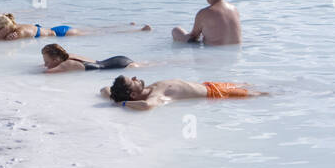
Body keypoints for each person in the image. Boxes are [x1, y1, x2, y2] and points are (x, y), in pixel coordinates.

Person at [102, 76, 261, 109]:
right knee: (262, 95)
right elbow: (145, 105)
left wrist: (112, 98)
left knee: (251, 84)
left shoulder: (148, 88)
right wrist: (121, 103)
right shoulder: (155, 96)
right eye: (132, 81)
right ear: (133, 95)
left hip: (210, 85)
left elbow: (104, 90)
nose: (136, 78)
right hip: (216, 94)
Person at [172, 0, 242, 45]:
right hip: (235, 52)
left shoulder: (204, 13)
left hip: (213, 52)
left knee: (176, 30)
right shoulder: (234, 9)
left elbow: (193, 37)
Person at [0, 13, 150, 40]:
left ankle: (135, 30)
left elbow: (2, 41)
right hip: (58, 29)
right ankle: (126, 26)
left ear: (6, 28)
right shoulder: (14, 26)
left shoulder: (20, 32)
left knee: (98, 34)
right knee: (96, 31)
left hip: (63, 34)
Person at [40, 44, 136, 73]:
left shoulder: (66, 65)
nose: (45, 65)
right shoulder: (68, 56)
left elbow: (46, 73)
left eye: (46, 62)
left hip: (119, 66)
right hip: (116, 60)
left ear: (56, 60)